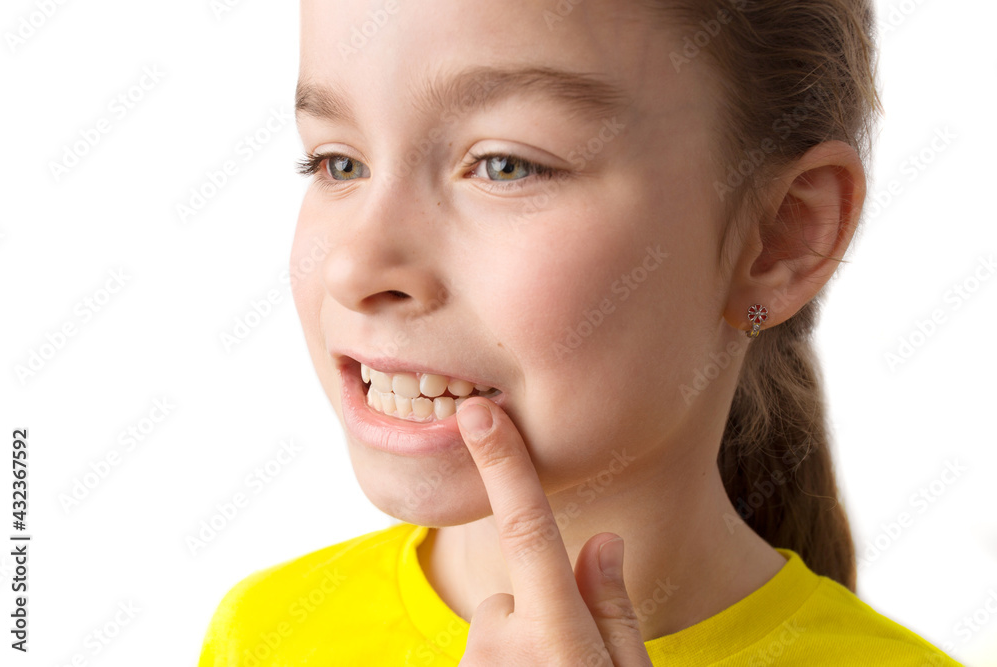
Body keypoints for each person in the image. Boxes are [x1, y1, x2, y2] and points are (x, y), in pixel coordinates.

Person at [198, 0, 964, 664]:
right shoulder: (266, 632)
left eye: (505, 165)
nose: (356, 266)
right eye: (337, 163)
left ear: (781, 237)